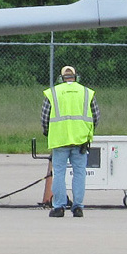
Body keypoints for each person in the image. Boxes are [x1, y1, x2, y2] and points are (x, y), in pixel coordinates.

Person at [41, 65, 99, 218]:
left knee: (59, 173)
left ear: (60, 78)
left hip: (59, 140)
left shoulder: (53, 93)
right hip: (80, 140)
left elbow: (45, 117)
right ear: (76, 77)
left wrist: (48, 132)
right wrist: (88, 133)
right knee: (80, 173)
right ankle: (78, 207)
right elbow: (95, 116)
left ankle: (59, 207)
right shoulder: (86, 92)